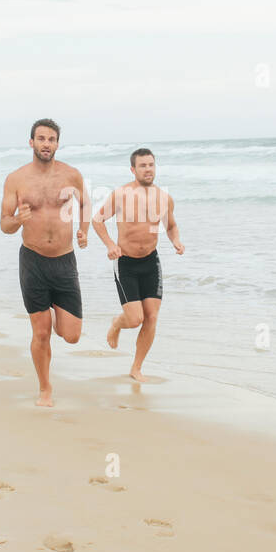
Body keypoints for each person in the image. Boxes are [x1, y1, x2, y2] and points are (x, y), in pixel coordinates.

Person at [0, 119, 90, 406]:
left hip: (64, 261)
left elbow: (86, 204)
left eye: (51, 139)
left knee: (71, 335)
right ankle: (45, 388)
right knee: (41, 332)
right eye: (41, 138)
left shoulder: (72, 175)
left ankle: (55, 314)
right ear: (31, 143)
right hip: (33, 262)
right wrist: (17, 220)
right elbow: (4, 224)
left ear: (57, 144)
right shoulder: (16, 179)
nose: (46, 144)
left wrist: (84, 230)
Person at [92, 147, 184, 381]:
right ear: (133, 169)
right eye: (143, 165)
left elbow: (171, 226)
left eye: (151, 164)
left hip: (151, 262)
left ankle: (136, 368)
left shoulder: (164, 198)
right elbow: (97, 220)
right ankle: (117, 323)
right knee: (135, 319)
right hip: (126, 263)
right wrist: (110, 245)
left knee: (151, 316)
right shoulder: (121, 194)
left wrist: (176, 241)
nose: (148, 169)